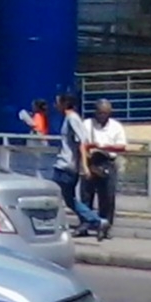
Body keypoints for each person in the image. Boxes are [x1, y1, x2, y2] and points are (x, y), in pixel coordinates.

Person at [50, 94, 102, 237]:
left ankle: (95, 220)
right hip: (66, 164)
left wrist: (84, 166)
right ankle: (95, 220)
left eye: (57, 102)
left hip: (66, 165)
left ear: (64, 104)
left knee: (54, 195)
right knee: (68, 199)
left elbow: (82, 143)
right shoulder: (71, 119)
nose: (55, 105)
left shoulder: (72, 119)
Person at [81, 99, 128, 240]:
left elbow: (122, 146)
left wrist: (103, 146)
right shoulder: (87, 124)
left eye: (105, 113)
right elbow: (81, 144)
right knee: (86, 196)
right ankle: (85, 224)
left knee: (107, 197)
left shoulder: (116, 127)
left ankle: (105, 226)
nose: (102, 116)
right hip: (91, 161)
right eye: (100, 112)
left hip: (107, 162)